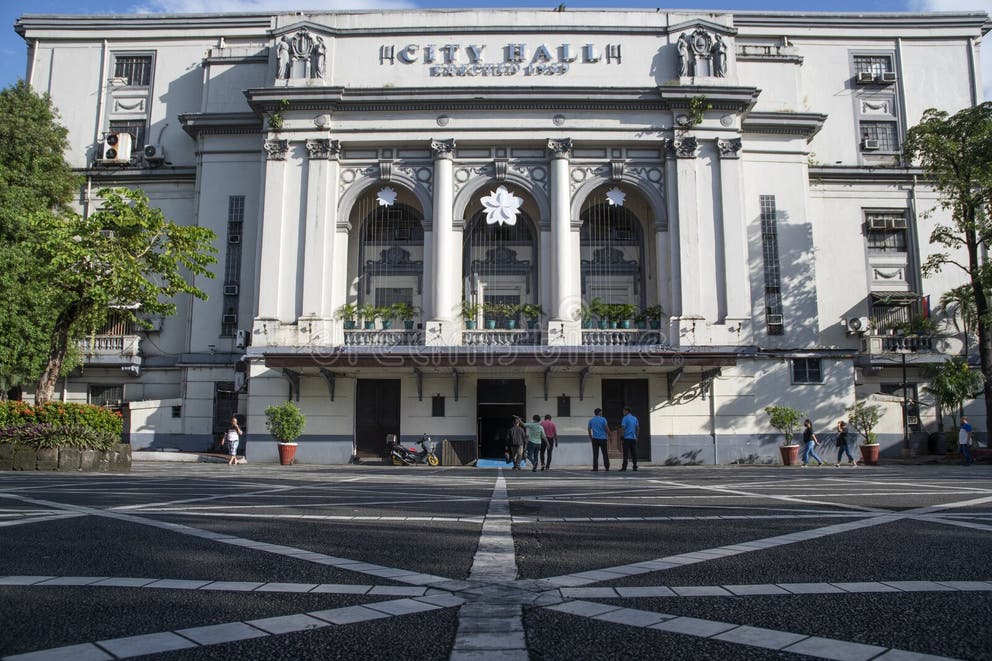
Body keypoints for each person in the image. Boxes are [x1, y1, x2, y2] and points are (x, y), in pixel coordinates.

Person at [620, 406, 639, 471]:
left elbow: (623, 428)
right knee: (634, 453)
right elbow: (637, 428)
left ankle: (624, 467)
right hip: (633, 438)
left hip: (626, 438)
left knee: (625, 453)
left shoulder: (625, 418)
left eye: (624, 411)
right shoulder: (635, 418)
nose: (623, 412)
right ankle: (635, 466)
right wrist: (636, 436)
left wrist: (622, 436)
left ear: (627, 411)